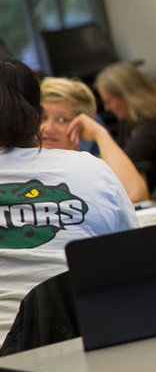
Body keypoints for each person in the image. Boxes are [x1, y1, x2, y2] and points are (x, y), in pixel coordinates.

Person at [0, 59, 137, 343]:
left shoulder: (88, 167)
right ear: (36, 115)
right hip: (91, 345)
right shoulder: (90, 169)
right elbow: (134, 256)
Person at [39, 77, 149, 203]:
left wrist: (99, 134)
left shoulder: (91, 167)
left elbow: (133, 195)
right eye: (43, 118)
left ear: (80, 125)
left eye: (62, 120)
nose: (47, 128)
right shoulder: (20, 167)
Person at [94, 62, 156, 192]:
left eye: (109, 101)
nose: (107, 108)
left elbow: (123, 162)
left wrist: (98, 134)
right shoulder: (127, 121)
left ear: (126, 96)